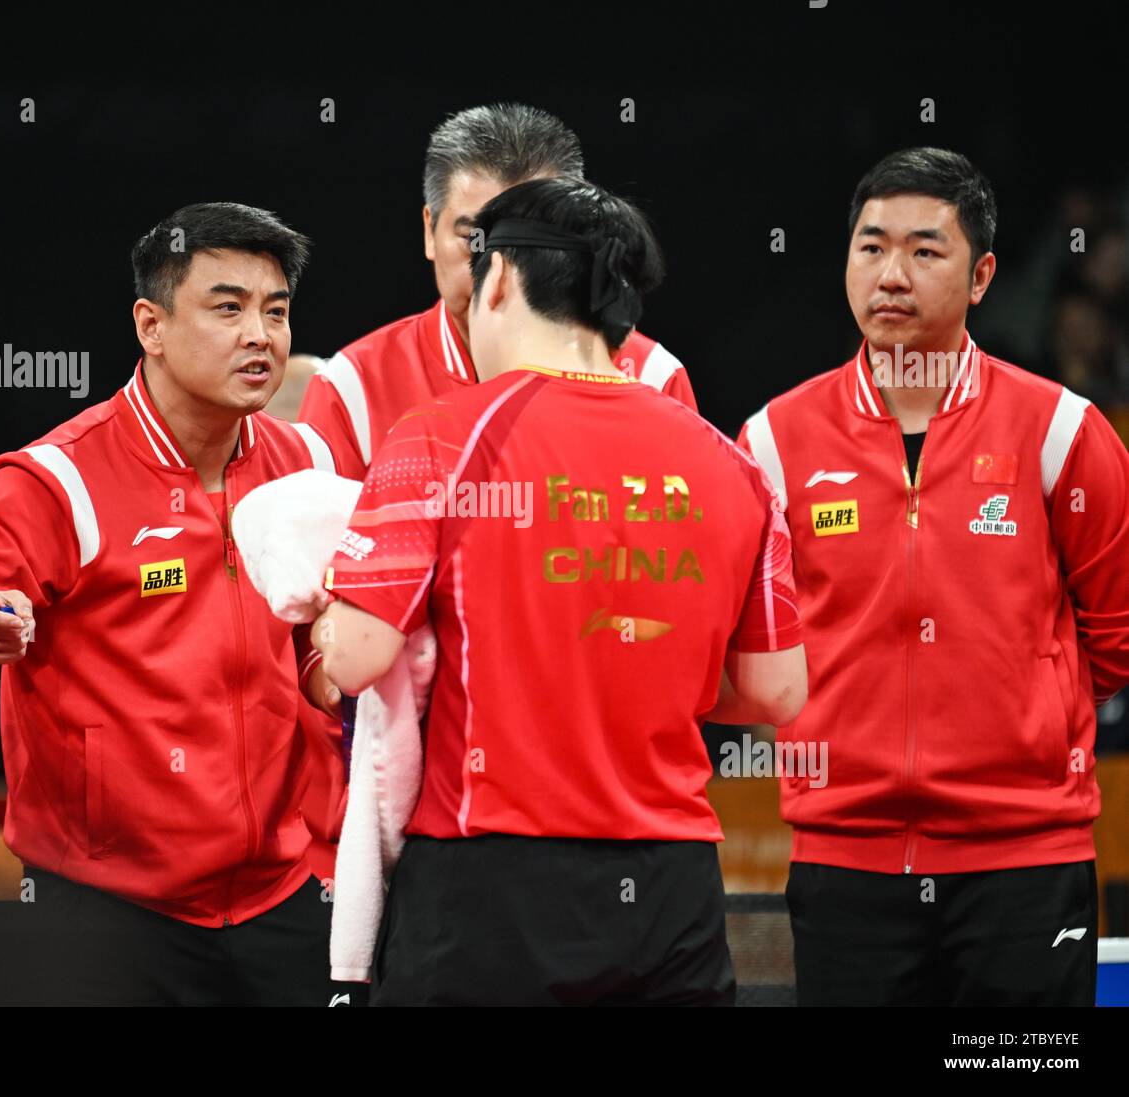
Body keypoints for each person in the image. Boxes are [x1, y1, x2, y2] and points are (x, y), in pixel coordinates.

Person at [314, 177, 807, 1006]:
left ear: (497, 278)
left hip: (489, 887)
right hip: (672, 891)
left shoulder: (438, 436)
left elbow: (359, 655)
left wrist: (320, 606)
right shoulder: (734, 465)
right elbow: (776, 687)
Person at [0, 202, 356, 1006]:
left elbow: (315, 630)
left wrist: (332, 659)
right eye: (228, 307)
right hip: (107, 913)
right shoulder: (54, 479)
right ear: (152, 325)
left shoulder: (304, 459)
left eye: (276, 312)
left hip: (283, 893)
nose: (261, 335)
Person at [737, 147, 1129, 1006]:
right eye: (871, 247)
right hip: (846, 861)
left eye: (925, 250)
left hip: (1025, 861)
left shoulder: (1062, 429)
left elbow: (1116, 634)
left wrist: (1022, 713)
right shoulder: (771, 442)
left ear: (983, 274)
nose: (891, 274)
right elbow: (754, 645)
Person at [297, 102, 698, 483]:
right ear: (429, 231)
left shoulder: (653, 378)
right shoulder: (352, 389)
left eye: (526, 243)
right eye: (473, 237)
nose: (495, 266)